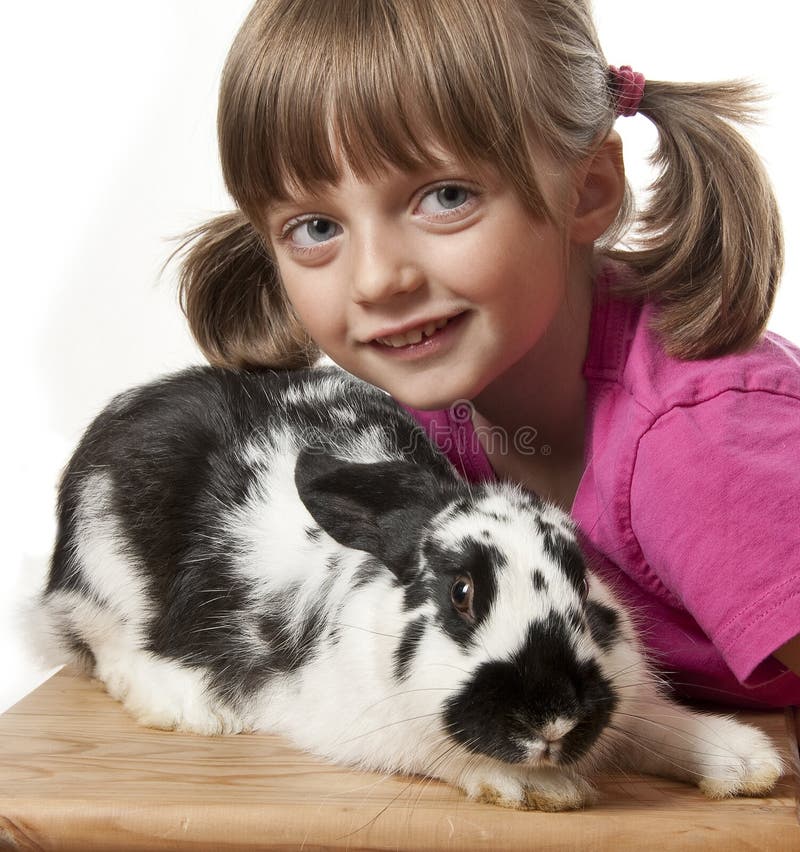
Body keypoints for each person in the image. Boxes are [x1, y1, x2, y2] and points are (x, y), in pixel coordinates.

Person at [171, 0, 800, 708]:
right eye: (317, 227)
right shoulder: (432, 412)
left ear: (587, 190)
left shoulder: (700, 447)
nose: (378, 279)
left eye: (445, 197)